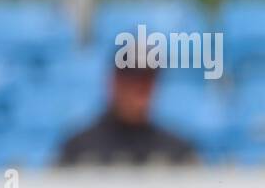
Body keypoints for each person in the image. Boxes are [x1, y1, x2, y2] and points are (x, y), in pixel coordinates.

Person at [57, 58, 198, 167]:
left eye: (147, 79)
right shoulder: (78, 149)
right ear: (113, 82)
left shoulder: (178, 151)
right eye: (132, 78)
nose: (140, 88)